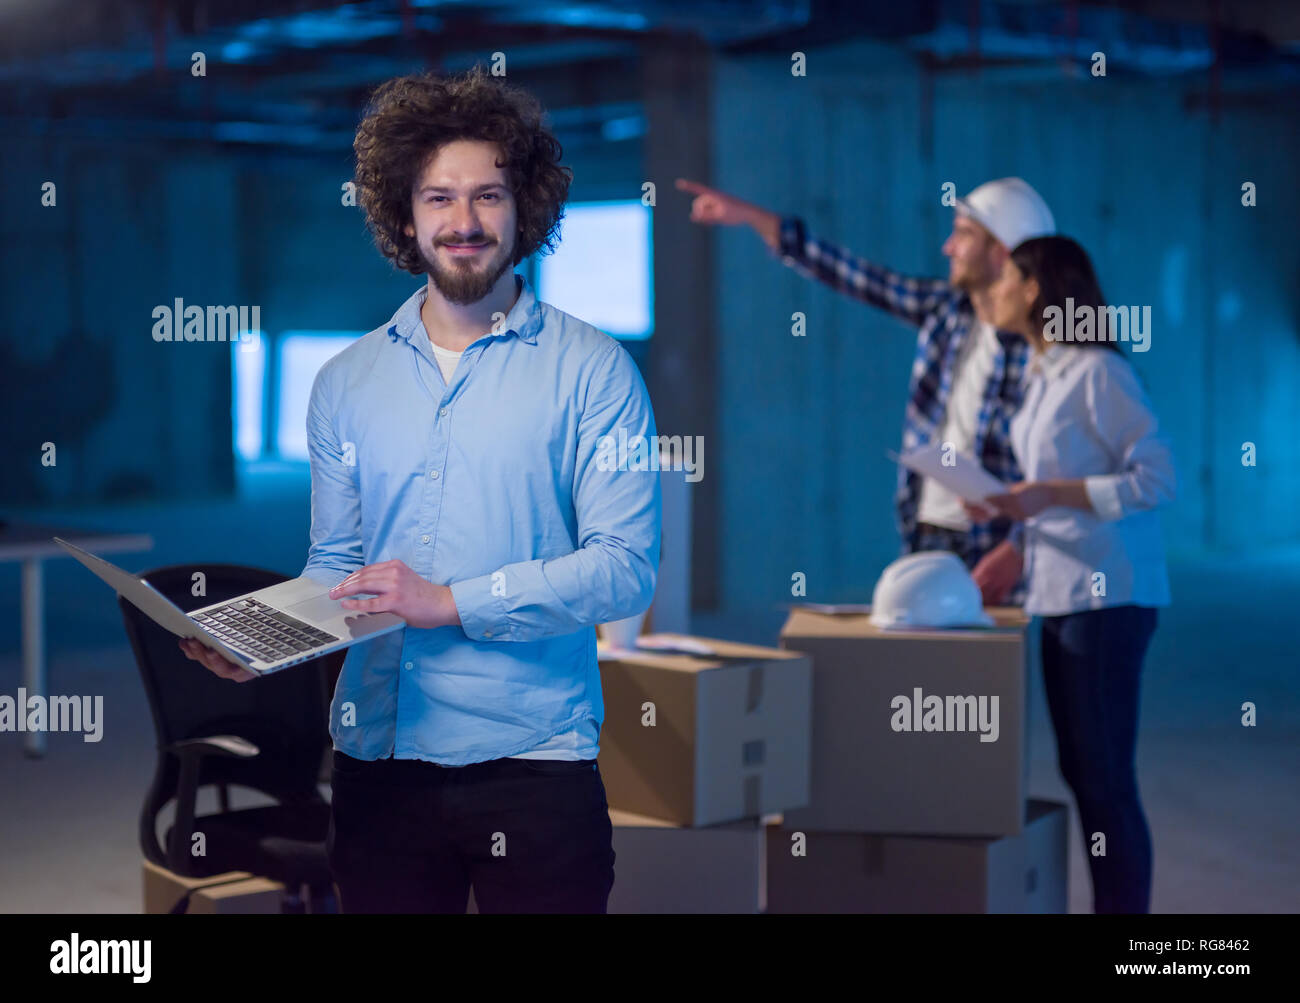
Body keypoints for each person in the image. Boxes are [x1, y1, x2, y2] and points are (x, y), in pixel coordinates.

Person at [181, 66, 662, 914]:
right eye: (439, 198)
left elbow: (624, 570)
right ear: (405, 215)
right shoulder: (345, 381)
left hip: (533, 763)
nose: (465, 222)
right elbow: (339, 568)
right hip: (380, 761)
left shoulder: (595, 371)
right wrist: (262, 643)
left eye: (488, 196)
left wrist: (450, 600)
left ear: (526, 211)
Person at [676, 176, 1055, 601]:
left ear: (1001, 252)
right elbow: (855, 276)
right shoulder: (945, 313)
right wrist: (752, 217)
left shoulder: (1047, 351)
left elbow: (1068, 469)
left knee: (990, 667)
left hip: (997, 545)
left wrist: (1023, 547)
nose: (948, 247)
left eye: (964, 234)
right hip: (927, 530)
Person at [966, 235, 1175, 913]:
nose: (992, 292)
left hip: (1108, 596)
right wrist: (1015, 515)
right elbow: (1052, 485)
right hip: (1059, 593)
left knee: (1106, 778)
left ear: (1034, 288)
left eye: (1004, 280)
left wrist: (1049, 494)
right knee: (1084, 771)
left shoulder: (1096, 370)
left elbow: (1156, 476)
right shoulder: (1042, 370)